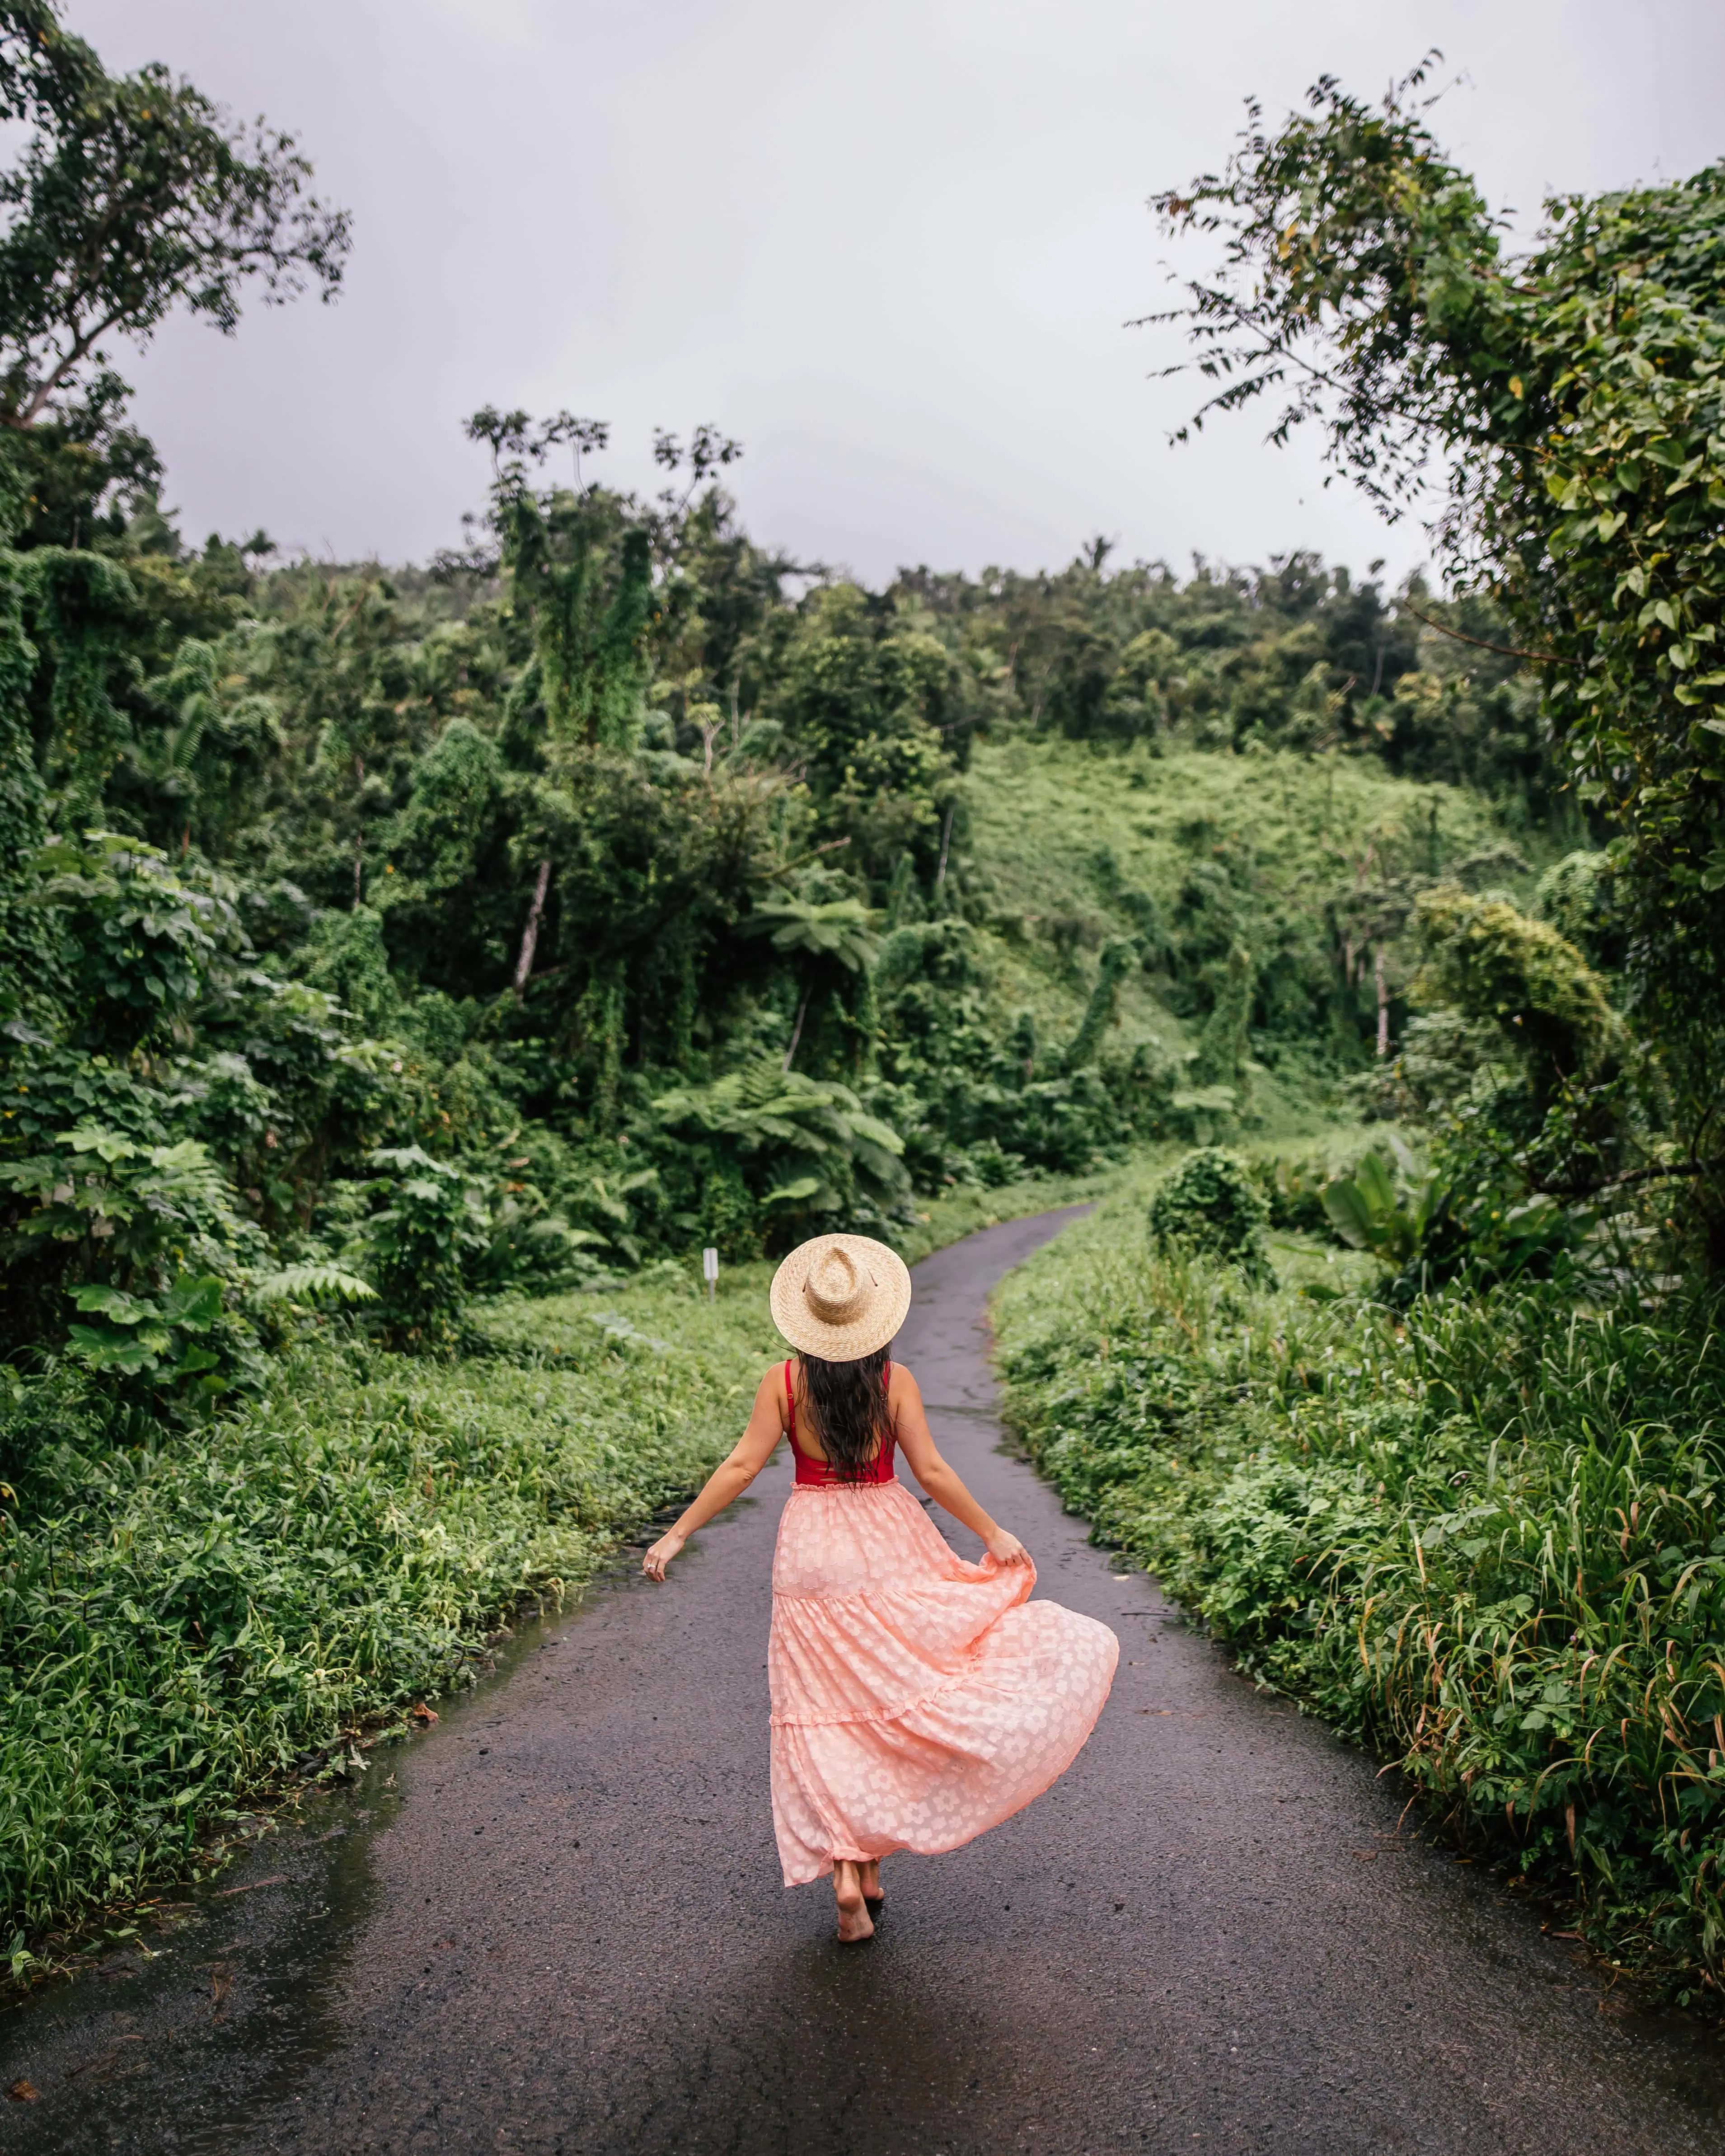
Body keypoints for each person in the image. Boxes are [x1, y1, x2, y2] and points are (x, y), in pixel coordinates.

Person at [642, 1231, 1118, 1943]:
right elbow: (931, 1473)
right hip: (886, 1540)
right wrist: (992, 1532)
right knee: (889, 1697)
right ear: (873, 1316)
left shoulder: (783, 1382)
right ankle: (863, 1863)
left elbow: (742, 1468)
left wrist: (677, 1533)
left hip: (809, 1550)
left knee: (822, 1710)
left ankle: (848, 1875)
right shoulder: (895, 1383)